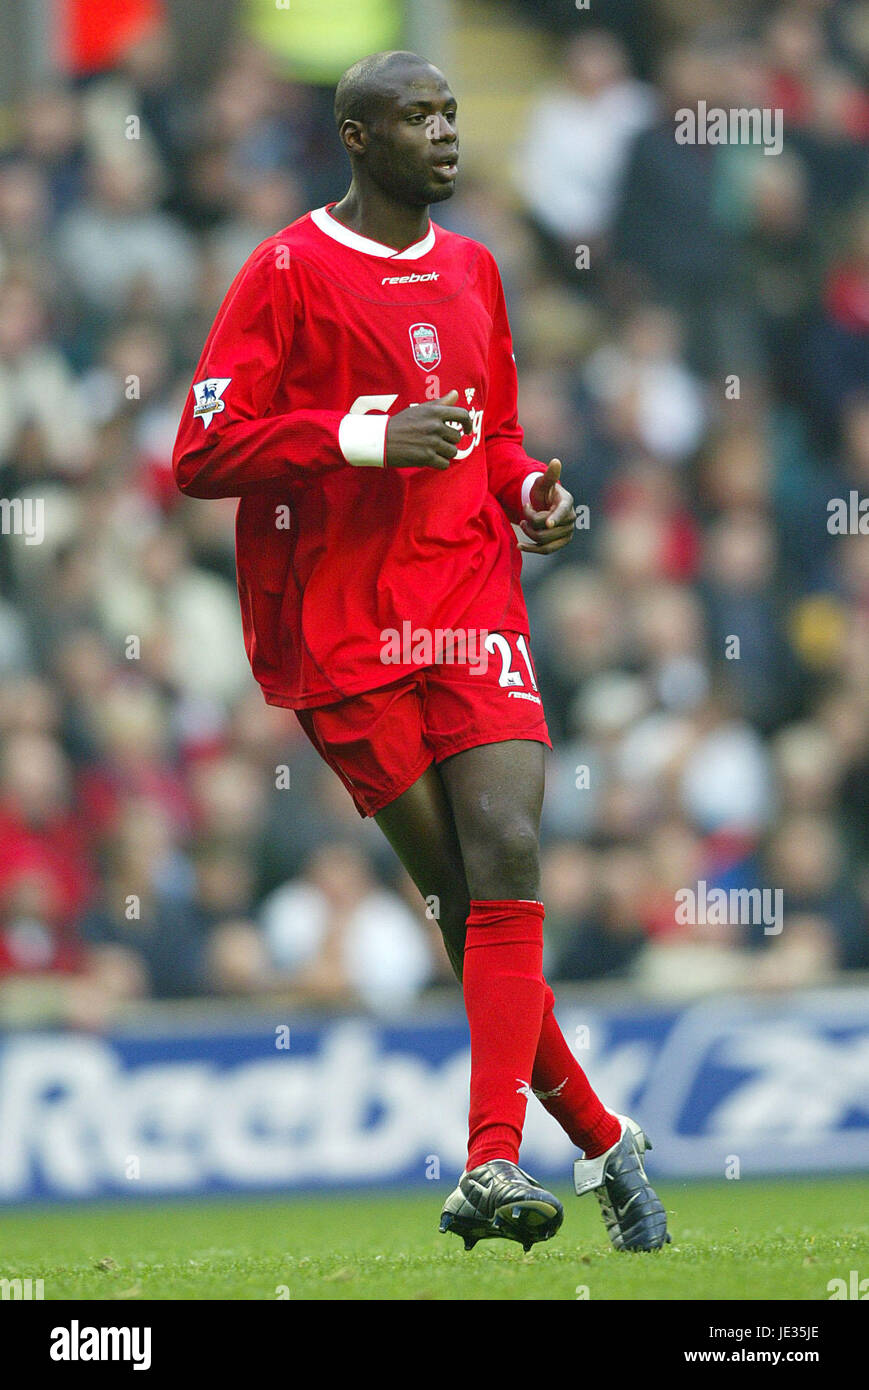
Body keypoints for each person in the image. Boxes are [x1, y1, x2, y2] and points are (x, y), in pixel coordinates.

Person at [173, 49, 669, 1254]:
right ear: (356, 137)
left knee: (505, 851)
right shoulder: (285, 271)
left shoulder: (475, 269)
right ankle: (604, 1137)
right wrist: (358, 434)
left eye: (451, 113)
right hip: (340, 624)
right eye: (417, 117)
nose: (445, 134)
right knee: (460, 896)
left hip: (467, 597)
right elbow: (199, 455)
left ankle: (490, 1161)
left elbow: (491, 436)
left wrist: (531, 491)